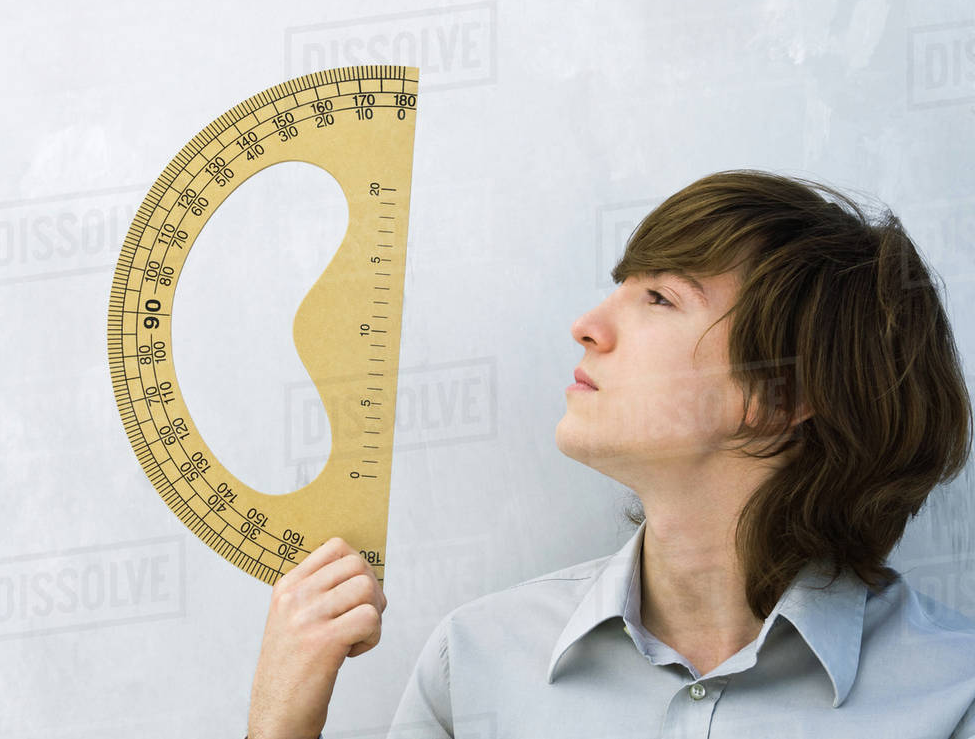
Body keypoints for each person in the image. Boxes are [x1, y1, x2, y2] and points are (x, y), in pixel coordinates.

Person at [245, 169, 975, 739]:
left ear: (782, 393)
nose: (588, 325)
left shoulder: (954, 694)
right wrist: (282, 721)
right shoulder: (473, 662)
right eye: (618, 287)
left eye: (658, 297)